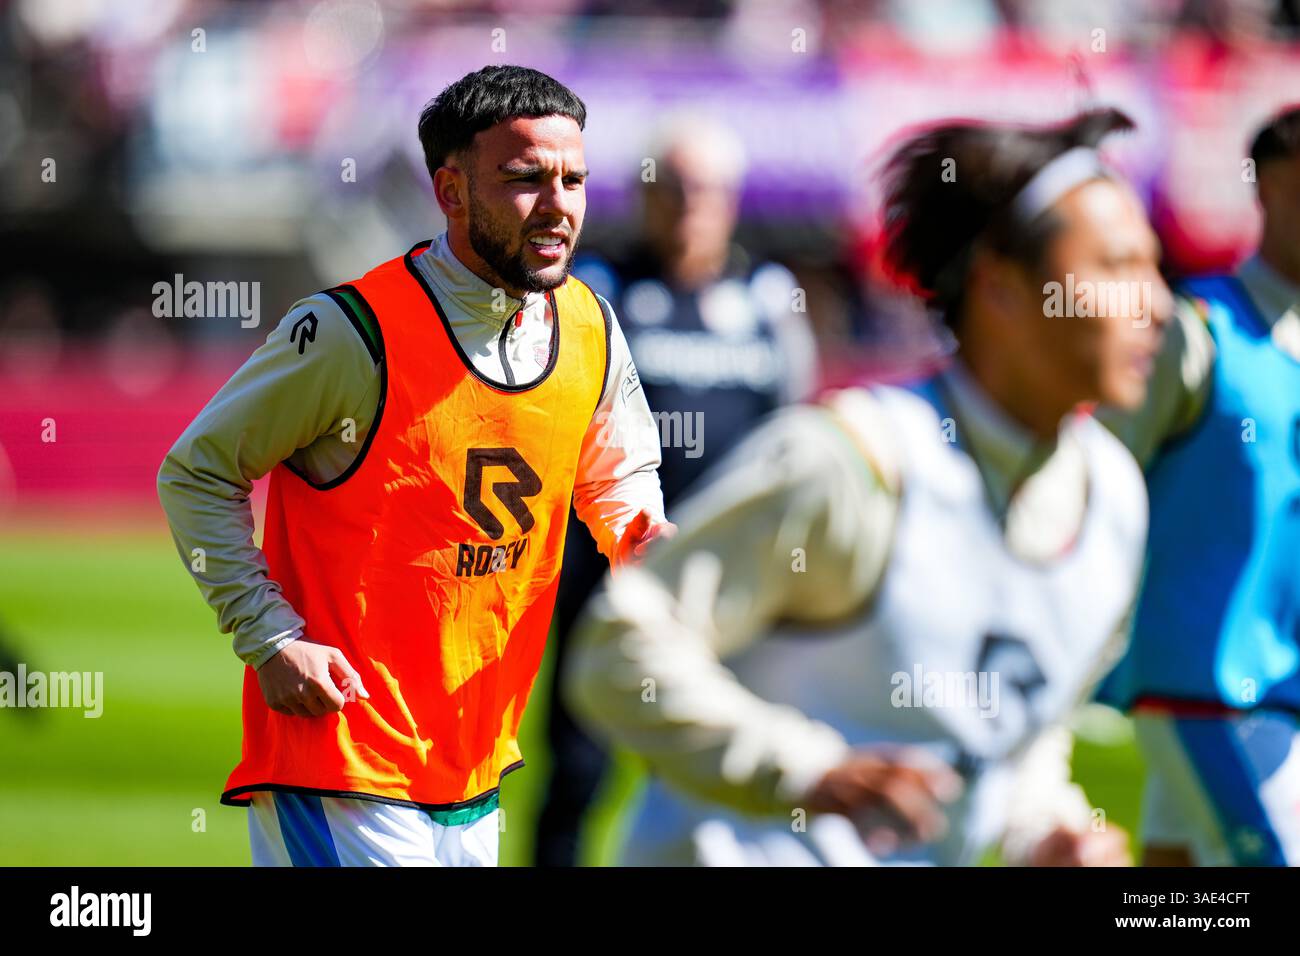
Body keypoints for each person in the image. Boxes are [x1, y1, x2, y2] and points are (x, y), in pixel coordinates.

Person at [564, 108, 1171, 866]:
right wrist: (806, 771)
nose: (1157, 305)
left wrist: (1046, 830)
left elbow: (1016, 735)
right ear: (1001, 287)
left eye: (1154, 267)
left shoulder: (1113, 499)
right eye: (1116, 266)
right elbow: (617, 649)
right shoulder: (856, 460)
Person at [157, 65, 672, 867]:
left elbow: (618, 478)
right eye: (526, 179)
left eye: (572, 180)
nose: (558, 205)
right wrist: (269, 637)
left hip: (474, 769)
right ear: (451, 191)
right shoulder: (351, 330)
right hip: (340, 760)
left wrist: (643, 541)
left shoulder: (591, 324)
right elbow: (197, 471)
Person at [534, 115, 818, 866]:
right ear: (647, 196)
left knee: (723, 765)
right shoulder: (598, 288)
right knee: (577, 770)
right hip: (606, 570)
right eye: (676, 187)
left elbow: (793, 428)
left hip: (726, 577)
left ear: (732, 200)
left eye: (708, 189)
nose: (692, 205)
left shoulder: (767, 296)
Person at [1096, 104, 1300, 867]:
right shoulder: (1197, 328)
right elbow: (1099, 473)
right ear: (1267, 188)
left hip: (1277, 691)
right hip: (1205, 684)